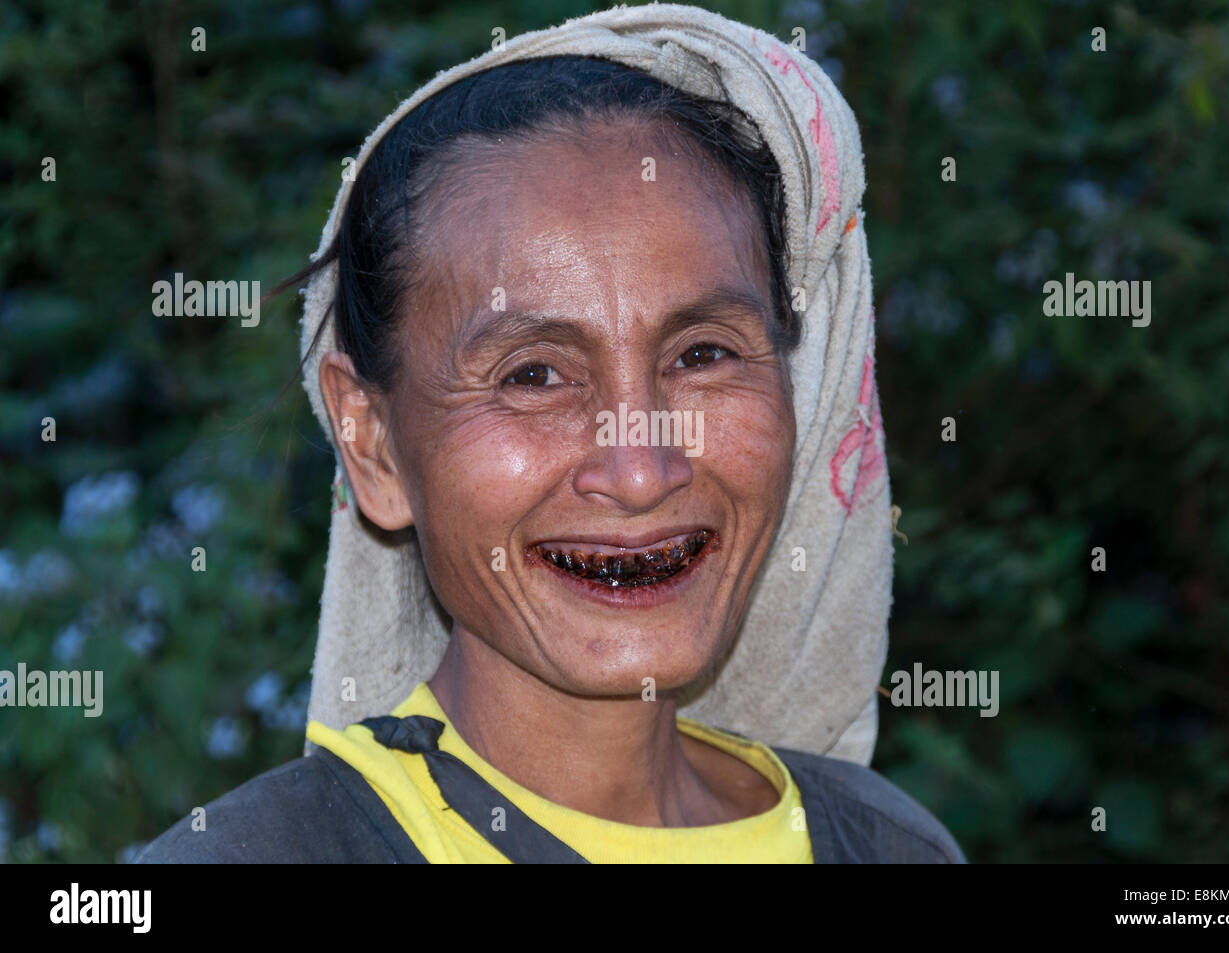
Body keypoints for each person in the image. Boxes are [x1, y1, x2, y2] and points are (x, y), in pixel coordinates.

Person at [137, 4, 965, 864]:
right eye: (533, 376)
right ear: (373, 443)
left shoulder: (887, 842)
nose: (641, 470)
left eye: (703, 353)